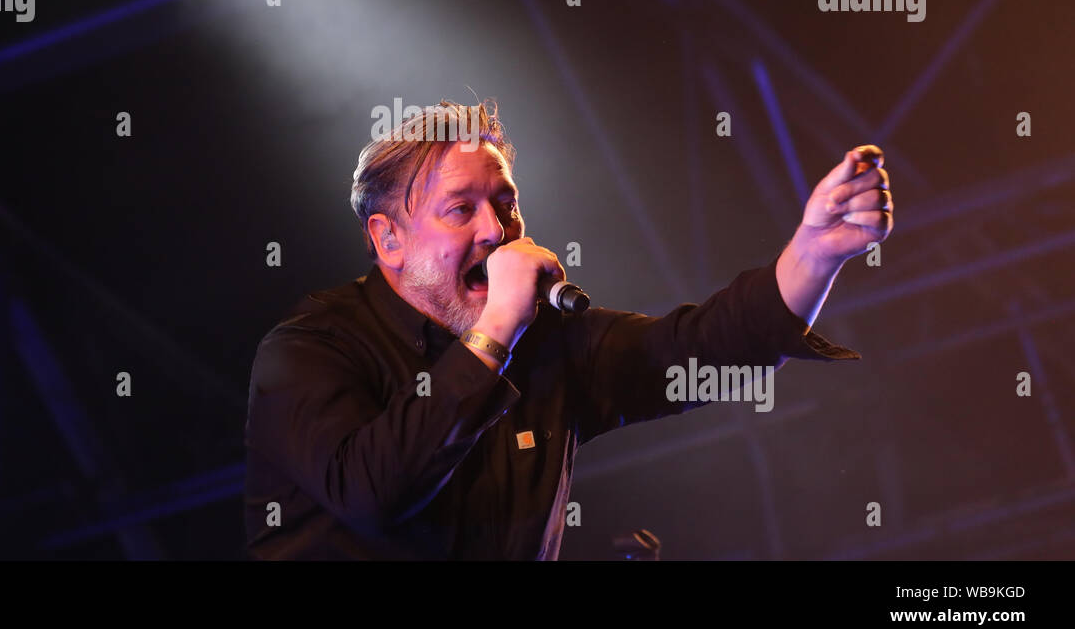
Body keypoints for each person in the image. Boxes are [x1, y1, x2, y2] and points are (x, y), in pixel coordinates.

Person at [243, 100, 891, 559]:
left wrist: (814, 253)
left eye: (505, 202)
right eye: (460, 210)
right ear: (388, 238)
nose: (496, 231)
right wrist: (496, 327)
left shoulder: (548, 346)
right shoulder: (308, 350)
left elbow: (699, 350)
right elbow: (369, 491)